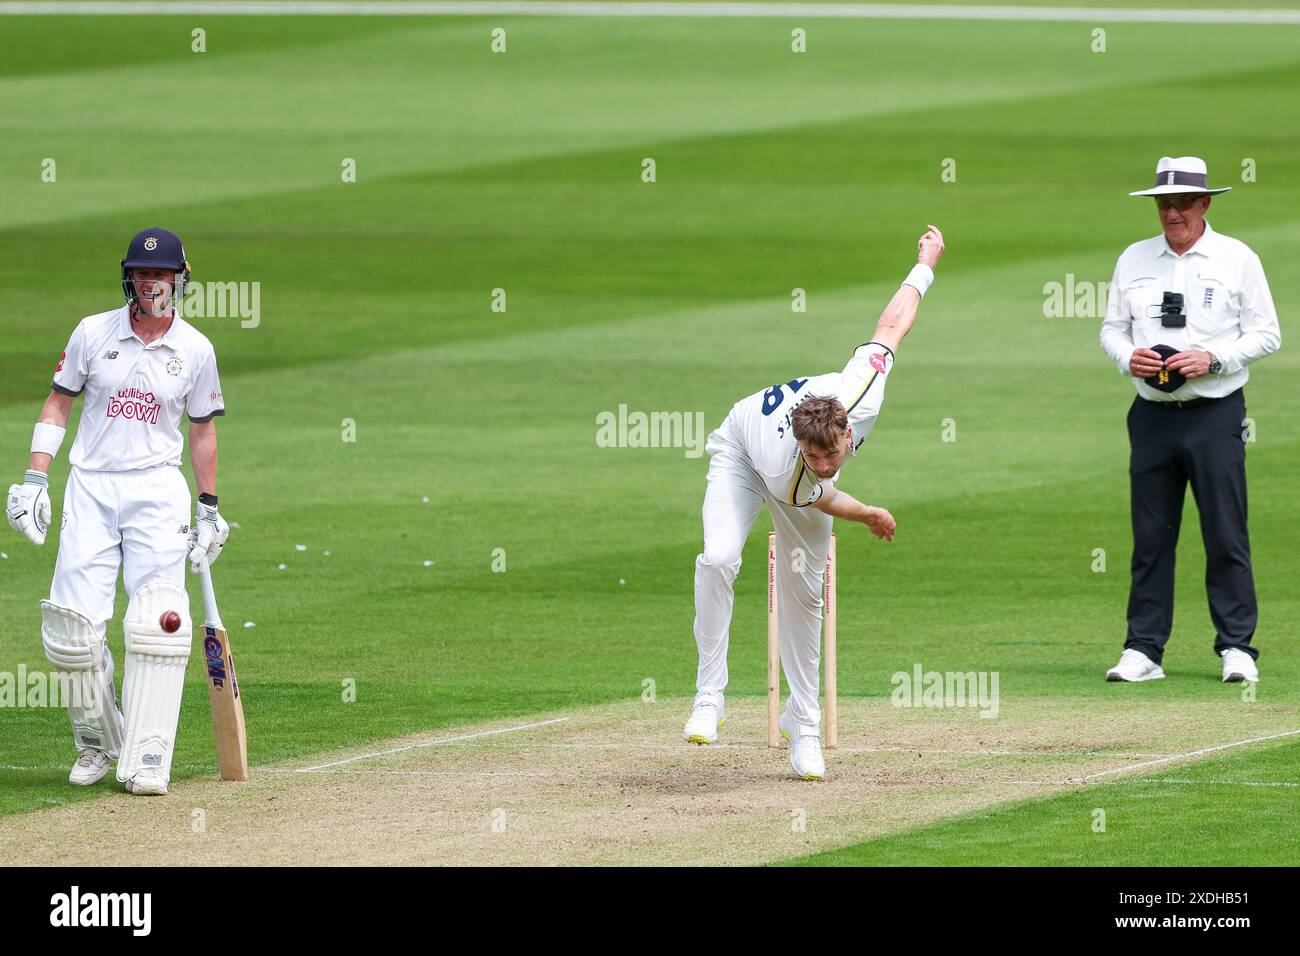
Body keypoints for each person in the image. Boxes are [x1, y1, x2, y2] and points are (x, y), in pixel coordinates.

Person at [684, 226, 945, 780]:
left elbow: (892, 325)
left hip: (789, 472)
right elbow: (827, 498)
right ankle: (710, 694)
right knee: (719, 557)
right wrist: (871, 511)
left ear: (846, 433)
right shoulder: (792, 467)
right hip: (741, 454)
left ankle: (802, 725)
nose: (825, 462)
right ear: (802, 444)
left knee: (806, 594)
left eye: (831, 454)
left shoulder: (861, 389)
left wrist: (925, 263)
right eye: (815, 456)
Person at [5, 228, 231, 794]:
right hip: (91, 486)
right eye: (142, 273)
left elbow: (202, 432)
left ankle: (149, 753)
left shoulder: (196, 350)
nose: (151, 283)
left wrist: (208, 507)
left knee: (159, 623)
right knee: (70, 631)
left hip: (157, 490)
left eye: (162, 274)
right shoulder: (91, 332)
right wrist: (36, 475)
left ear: (180, 279)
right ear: (128, 276)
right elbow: (59, 402)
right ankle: (98, 742)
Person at [1100, 157, 1280, 684]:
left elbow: (1268, 334)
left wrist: (1213, 358)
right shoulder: (1134, 258)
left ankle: (1237, 647)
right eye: (1164, 203)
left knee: (1225, 530)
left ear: (1204, 203)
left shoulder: (1236, 258)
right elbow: (1113, 328)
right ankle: (1144, 650)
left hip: (1215, 413)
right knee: (1151, 534)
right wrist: (1126, 356)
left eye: (1182, 202)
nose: (1172, 212)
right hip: (1152, 415)